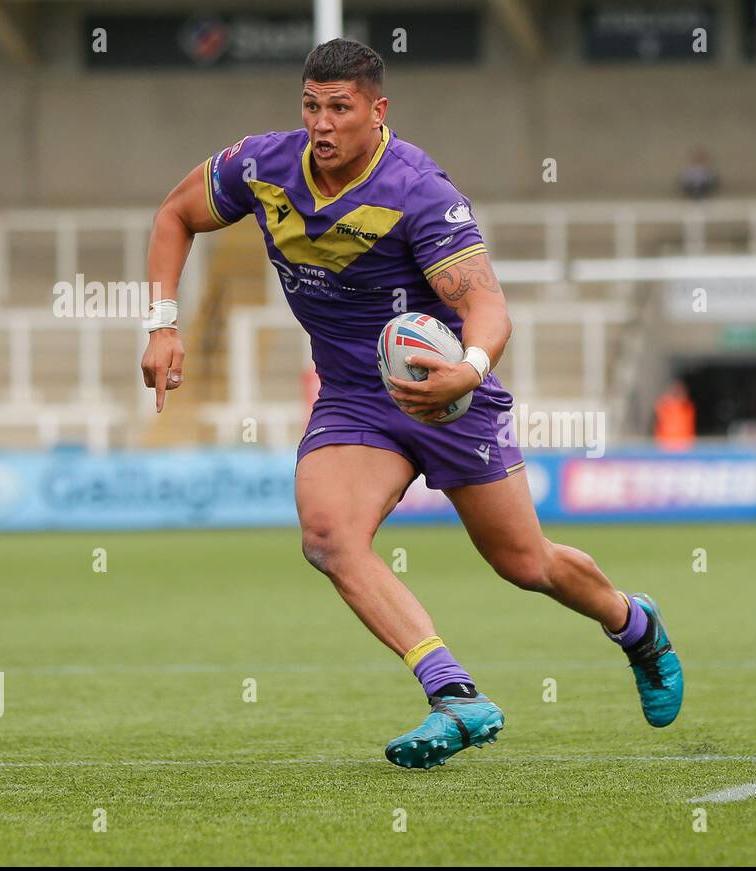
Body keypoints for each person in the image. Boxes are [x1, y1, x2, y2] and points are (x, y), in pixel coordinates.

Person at [138, 39, 683, 770]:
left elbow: (488, 305)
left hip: (450, 397)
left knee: (526, 563)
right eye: (310, 106)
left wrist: (469, 369)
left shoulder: (419, 191)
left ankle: (634, 625)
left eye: (339, 108)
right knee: (329, 537)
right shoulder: (261, 166)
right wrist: (162, 325)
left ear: (377, 110)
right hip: (356, 397)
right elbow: (174, 214)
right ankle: (453, 693)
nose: (321, 124)